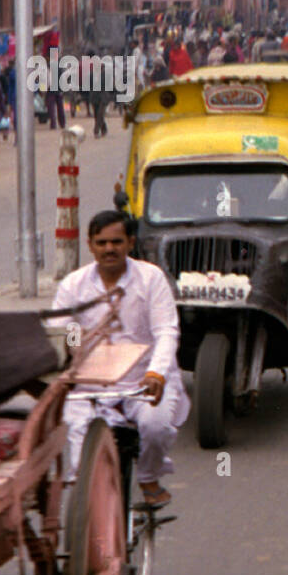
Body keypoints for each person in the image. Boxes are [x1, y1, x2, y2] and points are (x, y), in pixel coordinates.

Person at [52, 211, 190, 509]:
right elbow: (60, 332)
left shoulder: (151, 278)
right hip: (90, 383)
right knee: (76, 434)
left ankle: (149, 476)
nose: (109, 249)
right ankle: (87, 503)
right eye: (101, 243)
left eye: (116, 242)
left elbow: (166, 331)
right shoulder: (73, 285)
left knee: (155, 426)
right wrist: (74, 341)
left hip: (144, 380)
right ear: (90, 245)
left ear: (130, 242)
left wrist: (156, 374)